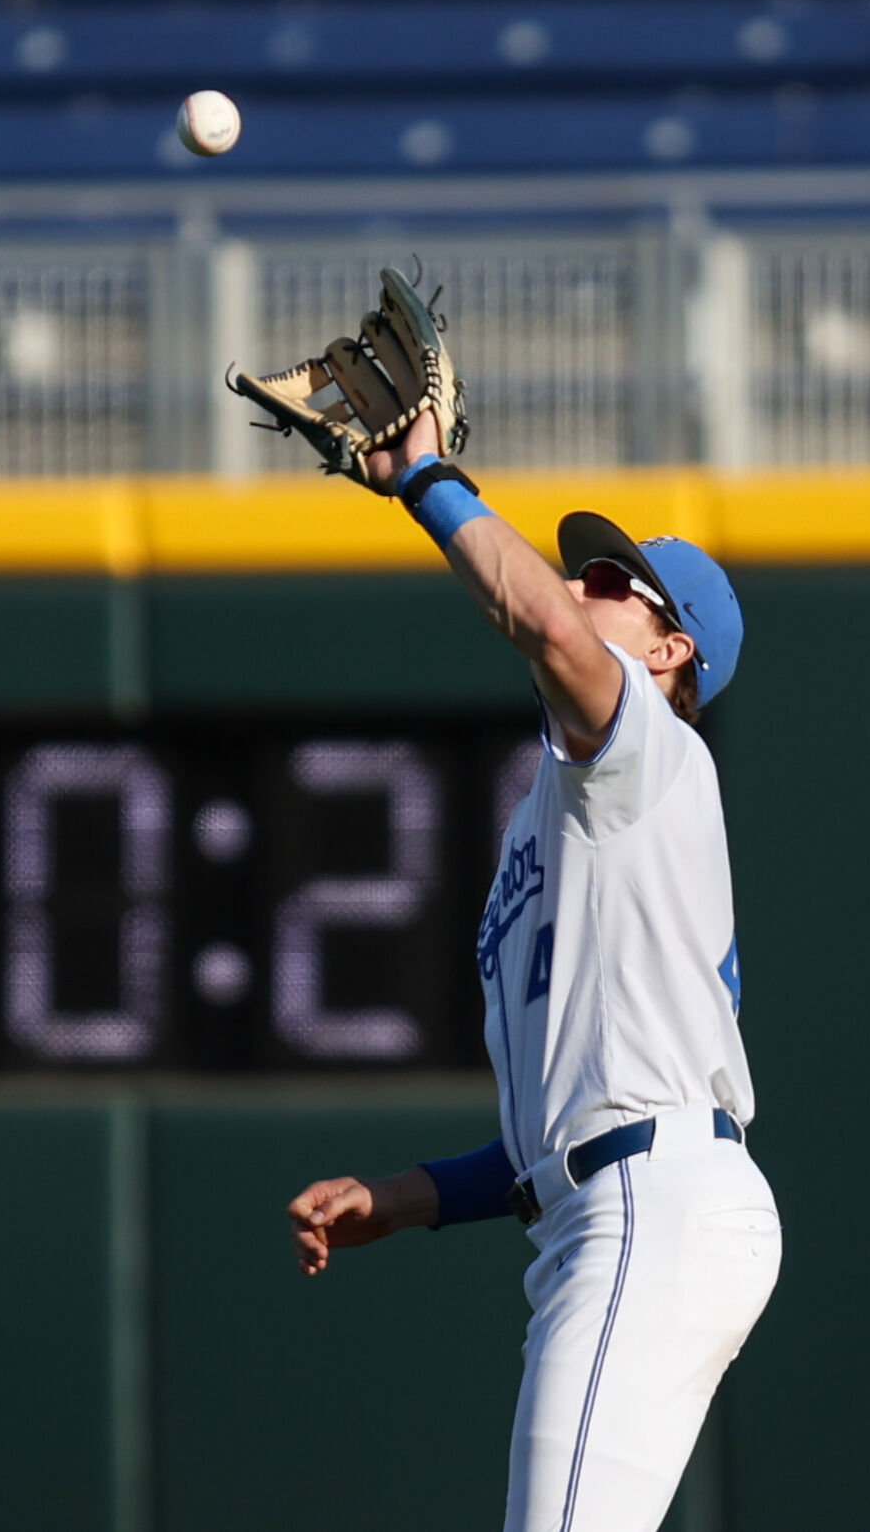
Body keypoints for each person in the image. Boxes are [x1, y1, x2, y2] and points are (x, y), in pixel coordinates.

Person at [287, 408, 781, 1532]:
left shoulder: (650, 751)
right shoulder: (552, 818)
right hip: (602, 1204)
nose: (584, 583)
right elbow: (552, 1126)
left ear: (669, 653)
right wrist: (404, 1199)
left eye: (614, 579)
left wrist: (427, 479)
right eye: (587, 570)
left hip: (652, 1198)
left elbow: (547, 630)